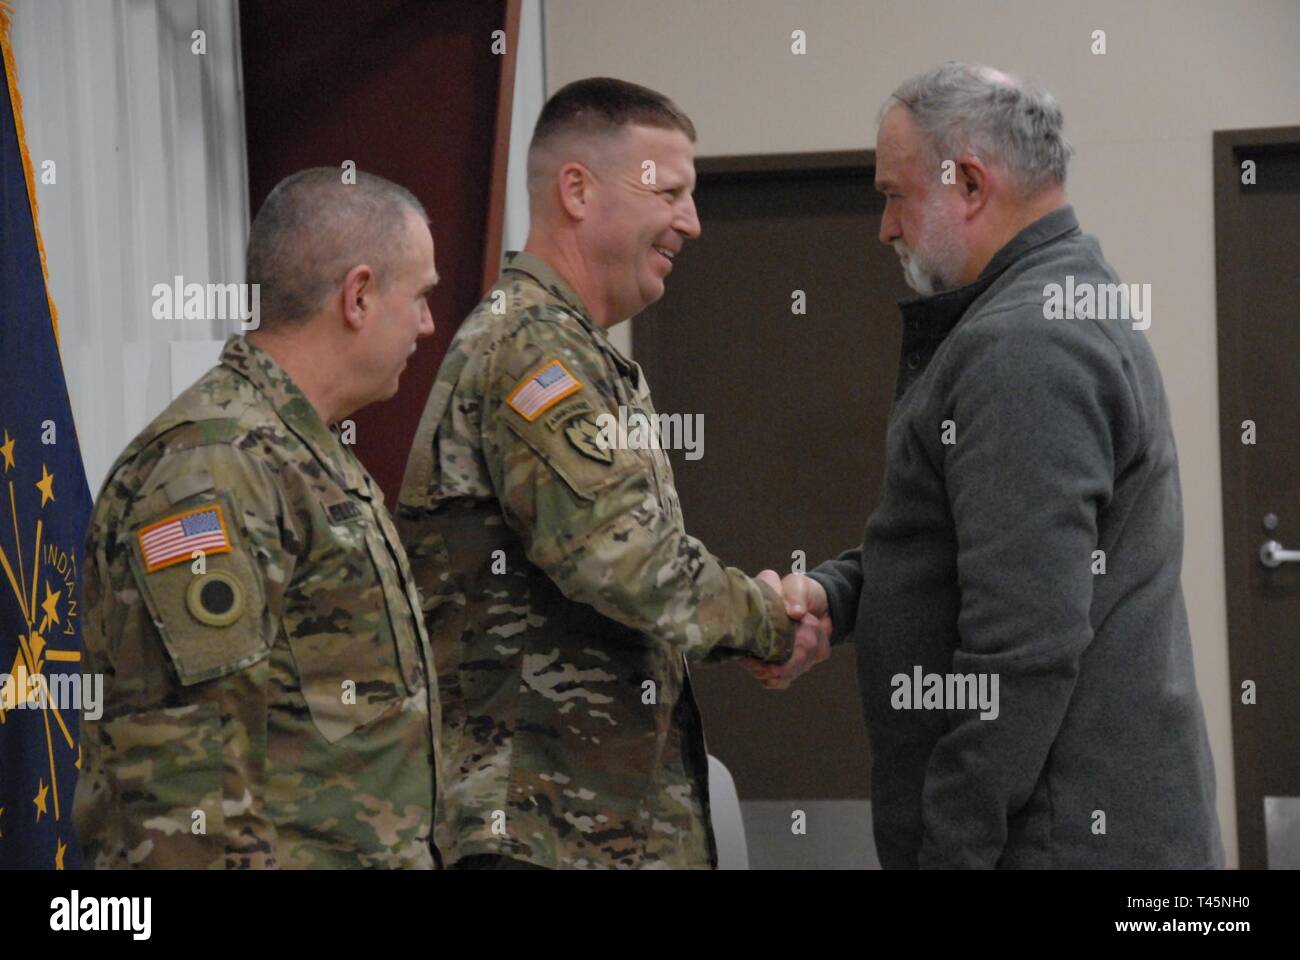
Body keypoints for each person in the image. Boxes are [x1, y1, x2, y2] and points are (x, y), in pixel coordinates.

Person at [753, 62, 1222, 869]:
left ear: (968, 184)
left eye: (894, 195)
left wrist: (949, 853)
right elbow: (979, 548)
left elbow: (1023, 647)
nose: (885, 228)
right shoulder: (1064, 298)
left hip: (1052, 843)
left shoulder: (1025, 343)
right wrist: (835, 595)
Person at [397, 77, 824, 870]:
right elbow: (622, 557)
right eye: (670, 192)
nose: (691, 222)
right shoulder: (532, 348)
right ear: (577, 190)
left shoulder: (575, 351)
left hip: (589, 828)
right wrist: (766, 619)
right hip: (539, 831)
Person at [74, 168, 443, 869]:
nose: (428, 323)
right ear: (359, 295)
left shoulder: (300, 450)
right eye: (420, 295)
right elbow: (192, 795)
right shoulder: (213, 467)